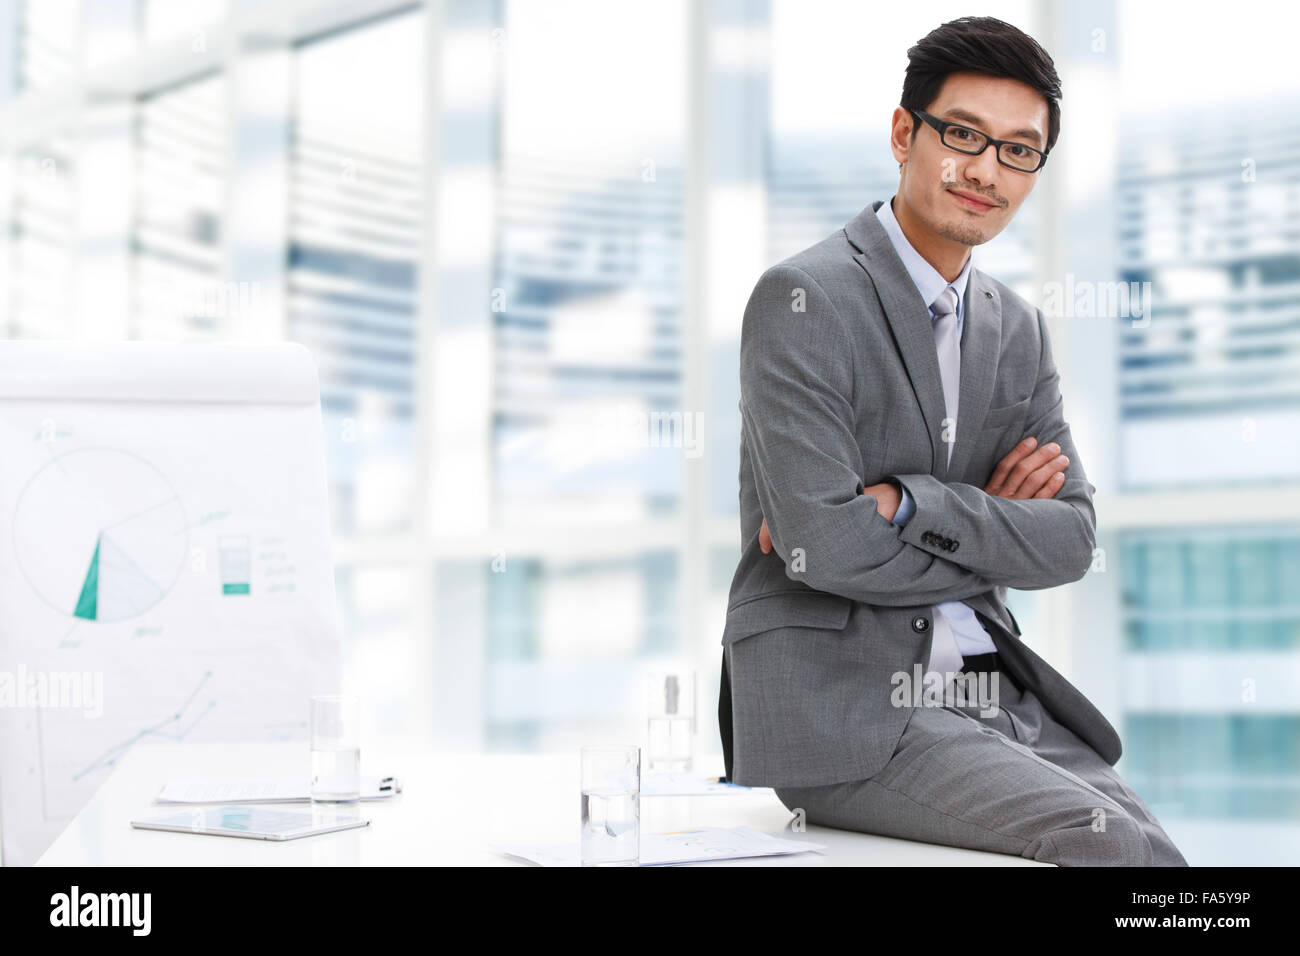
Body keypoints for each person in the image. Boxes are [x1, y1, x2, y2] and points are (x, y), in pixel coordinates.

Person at [718, 16, 1187, 866]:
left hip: (989, 690)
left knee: (1164, 857)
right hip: (848, 712)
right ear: (905, 133)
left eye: (1018, 151)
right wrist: (993, 523)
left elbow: (1072, 540)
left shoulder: (1018, 330)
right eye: (964, 135)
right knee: (1109, 844)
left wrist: (908, 505)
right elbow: (819, 549)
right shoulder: (804, 300)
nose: (986, 170)